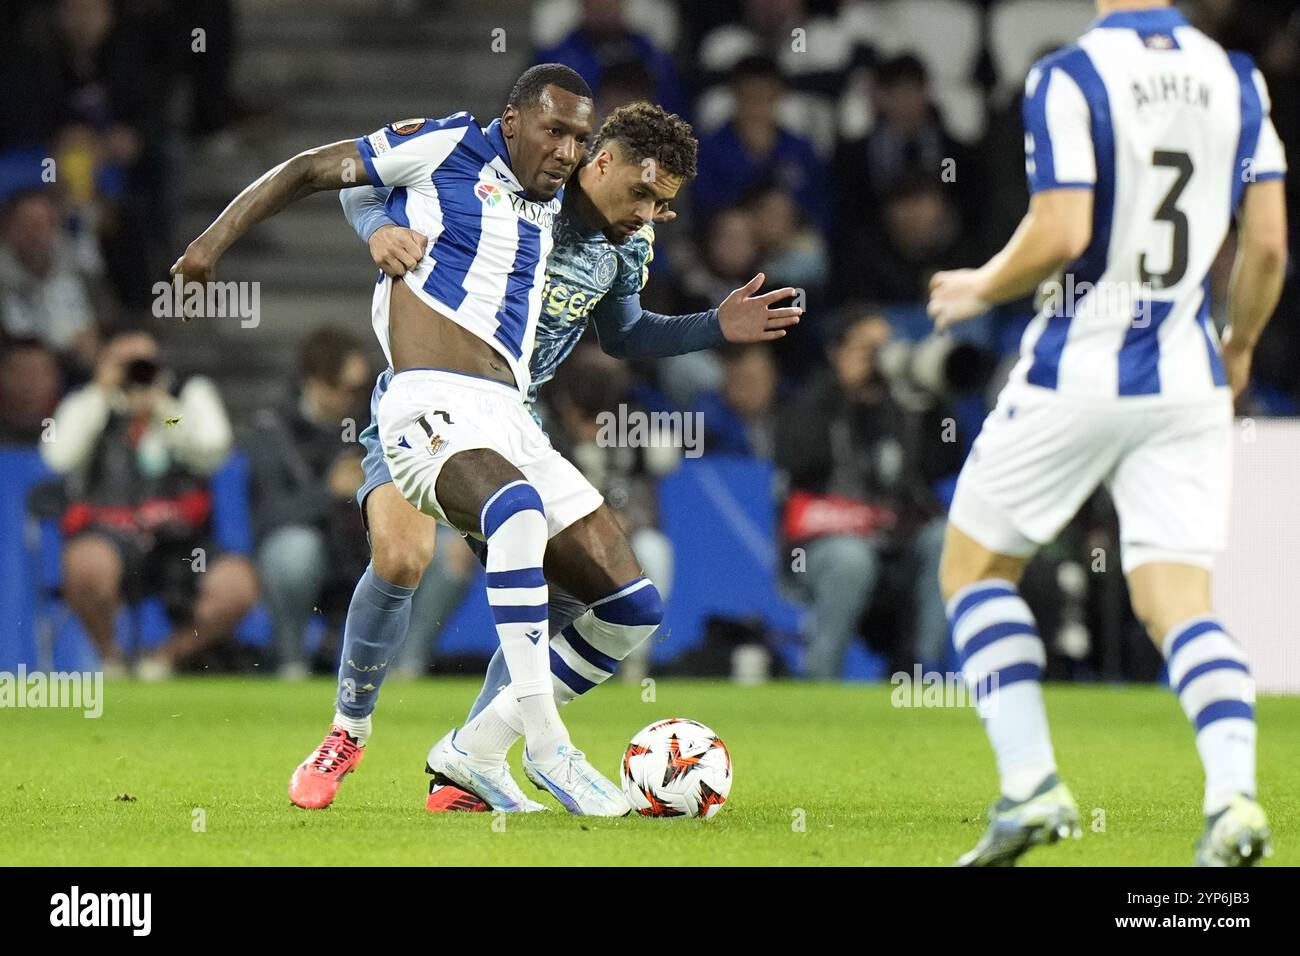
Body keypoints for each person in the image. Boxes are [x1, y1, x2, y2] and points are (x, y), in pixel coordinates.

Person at [329, 100, 801, 813]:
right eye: (643, 193)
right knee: (400, 559)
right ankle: (348, 730)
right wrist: (378, 227)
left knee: (583, 596)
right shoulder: (522, 181)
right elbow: (354, 174)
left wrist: (716, 326)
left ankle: (473, 758)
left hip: (514, 421)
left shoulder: (625, 245)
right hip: (426, 400)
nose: (650, 213)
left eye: (664, 204)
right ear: (600, 161)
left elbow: (625, 334)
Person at [927, 0, 1287, 866]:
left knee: (973, 568)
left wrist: (981, 285)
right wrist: (1239, 343)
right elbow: (1268, 247)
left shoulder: (1071, 74)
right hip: (1188, 375)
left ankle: (1031, 788)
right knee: (1178, 605)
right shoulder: (1236, 78)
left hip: (1078, 370)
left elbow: (1062, 230)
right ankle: (1234, 799)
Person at [38, 331, 258, 677]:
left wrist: (162, 410)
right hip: (110, 536)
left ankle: (162, 660)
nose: (135, 371)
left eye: (144, 362)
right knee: (85, 565)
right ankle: (110, 660)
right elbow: (58, 457)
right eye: (125, 363)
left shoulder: (186, 396)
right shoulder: (89, 402)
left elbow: (213, 450)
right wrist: (101, 392)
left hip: (183, 543)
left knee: (237, 586)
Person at [247, 326, 373, 678]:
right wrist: (329, 491)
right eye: (344, 388)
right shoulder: (272, 427)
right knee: (293, 550)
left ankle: (404, 670)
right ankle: (291, 661)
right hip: (304, 555)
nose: (354, 397)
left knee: (437, 546)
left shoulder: (375, 420)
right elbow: (270, 515)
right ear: (313, 381)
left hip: (365, 551)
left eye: (360, 388)